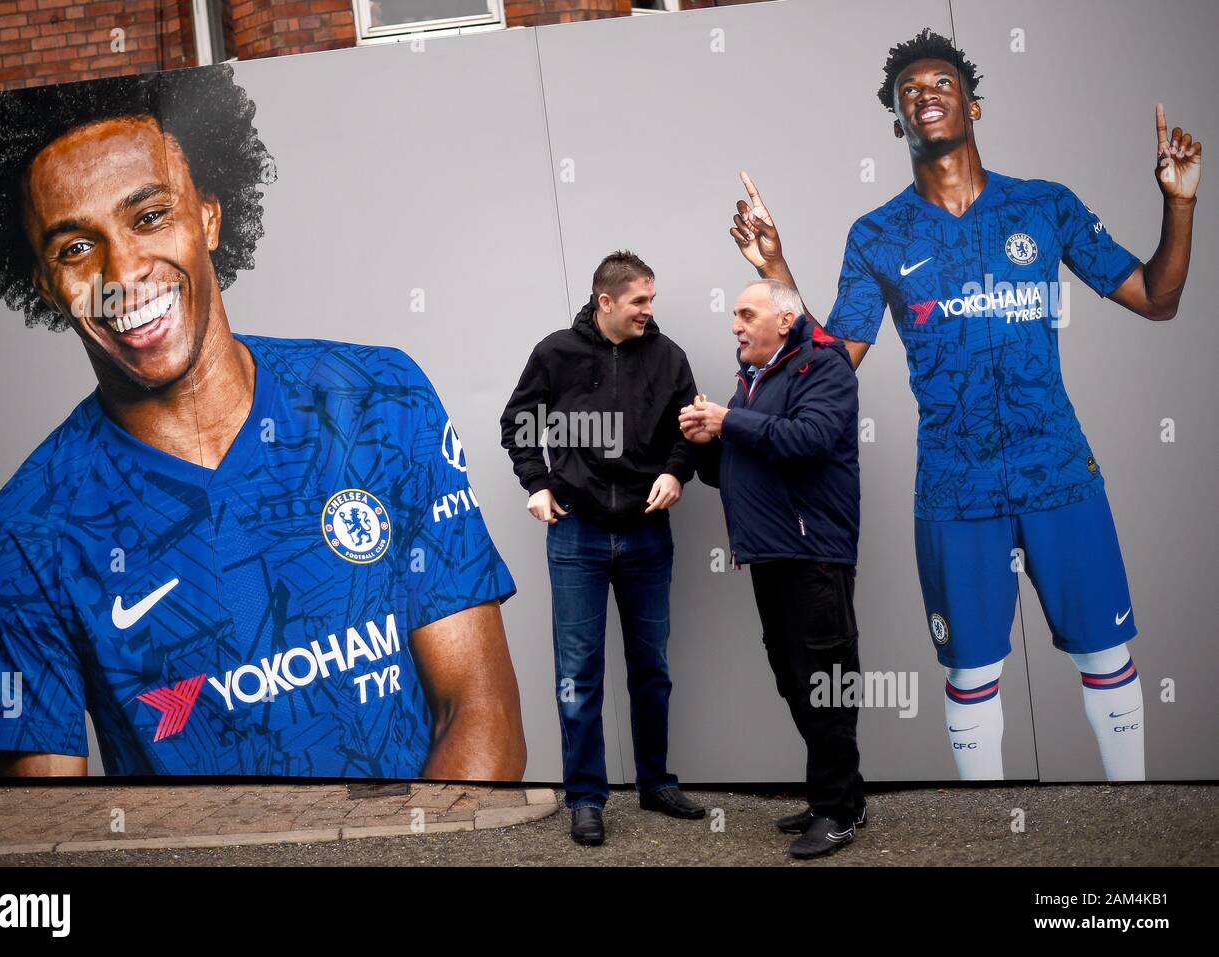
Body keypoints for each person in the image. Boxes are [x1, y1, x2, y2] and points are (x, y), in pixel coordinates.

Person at [0, 65, 526, 779]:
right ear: (44, 282)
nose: (123, 271)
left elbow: (480, 714)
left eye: (149, 215)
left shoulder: (379, 400)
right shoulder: (26, 530)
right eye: (76, 247)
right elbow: (49, 834)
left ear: (208, 216)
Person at [729, 28, 1201, 781]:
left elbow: (1158, 298)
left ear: (973, 104)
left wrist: (1179, 206)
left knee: (1106, 654)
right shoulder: (878, 235)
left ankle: (1132, 816)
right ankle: (984, 833)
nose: (926, 97)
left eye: (941, 84)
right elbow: (831, 367)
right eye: (909, 93)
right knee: (972, 674)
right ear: (896, 121)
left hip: (1059, 473)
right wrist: (778, 267)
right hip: (955, 485)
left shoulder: (1044, 207)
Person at [500, 251, 705, 845]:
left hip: (646, 532)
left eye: (652, 300)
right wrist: (536, 484)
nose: (650, 310)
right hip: (576, 535)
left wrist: (675, 471)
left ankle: (656, 783)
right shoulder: (556, 353)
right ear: (605, 301)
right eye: (640, 300)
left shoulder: (668, 358)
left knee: (652, 668)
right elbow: (517, 421)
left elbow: (689, 427)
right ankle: (586, 798)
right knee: (579, 672)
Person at [680, 279, 864, 858]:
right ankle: (837, 796)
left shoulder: (823, 367)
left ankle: (838, 811)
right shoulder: (753, 382)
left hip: (814, 556)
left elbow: (808, 440)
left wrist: (728, 423)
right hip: (770, 555)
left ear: (784, 322)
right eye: (734, 315)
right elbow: (732, 469)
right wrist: (707, 440)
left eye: (746, 313)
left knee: (825, 683)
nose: (734, 324)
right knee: (793, 679)